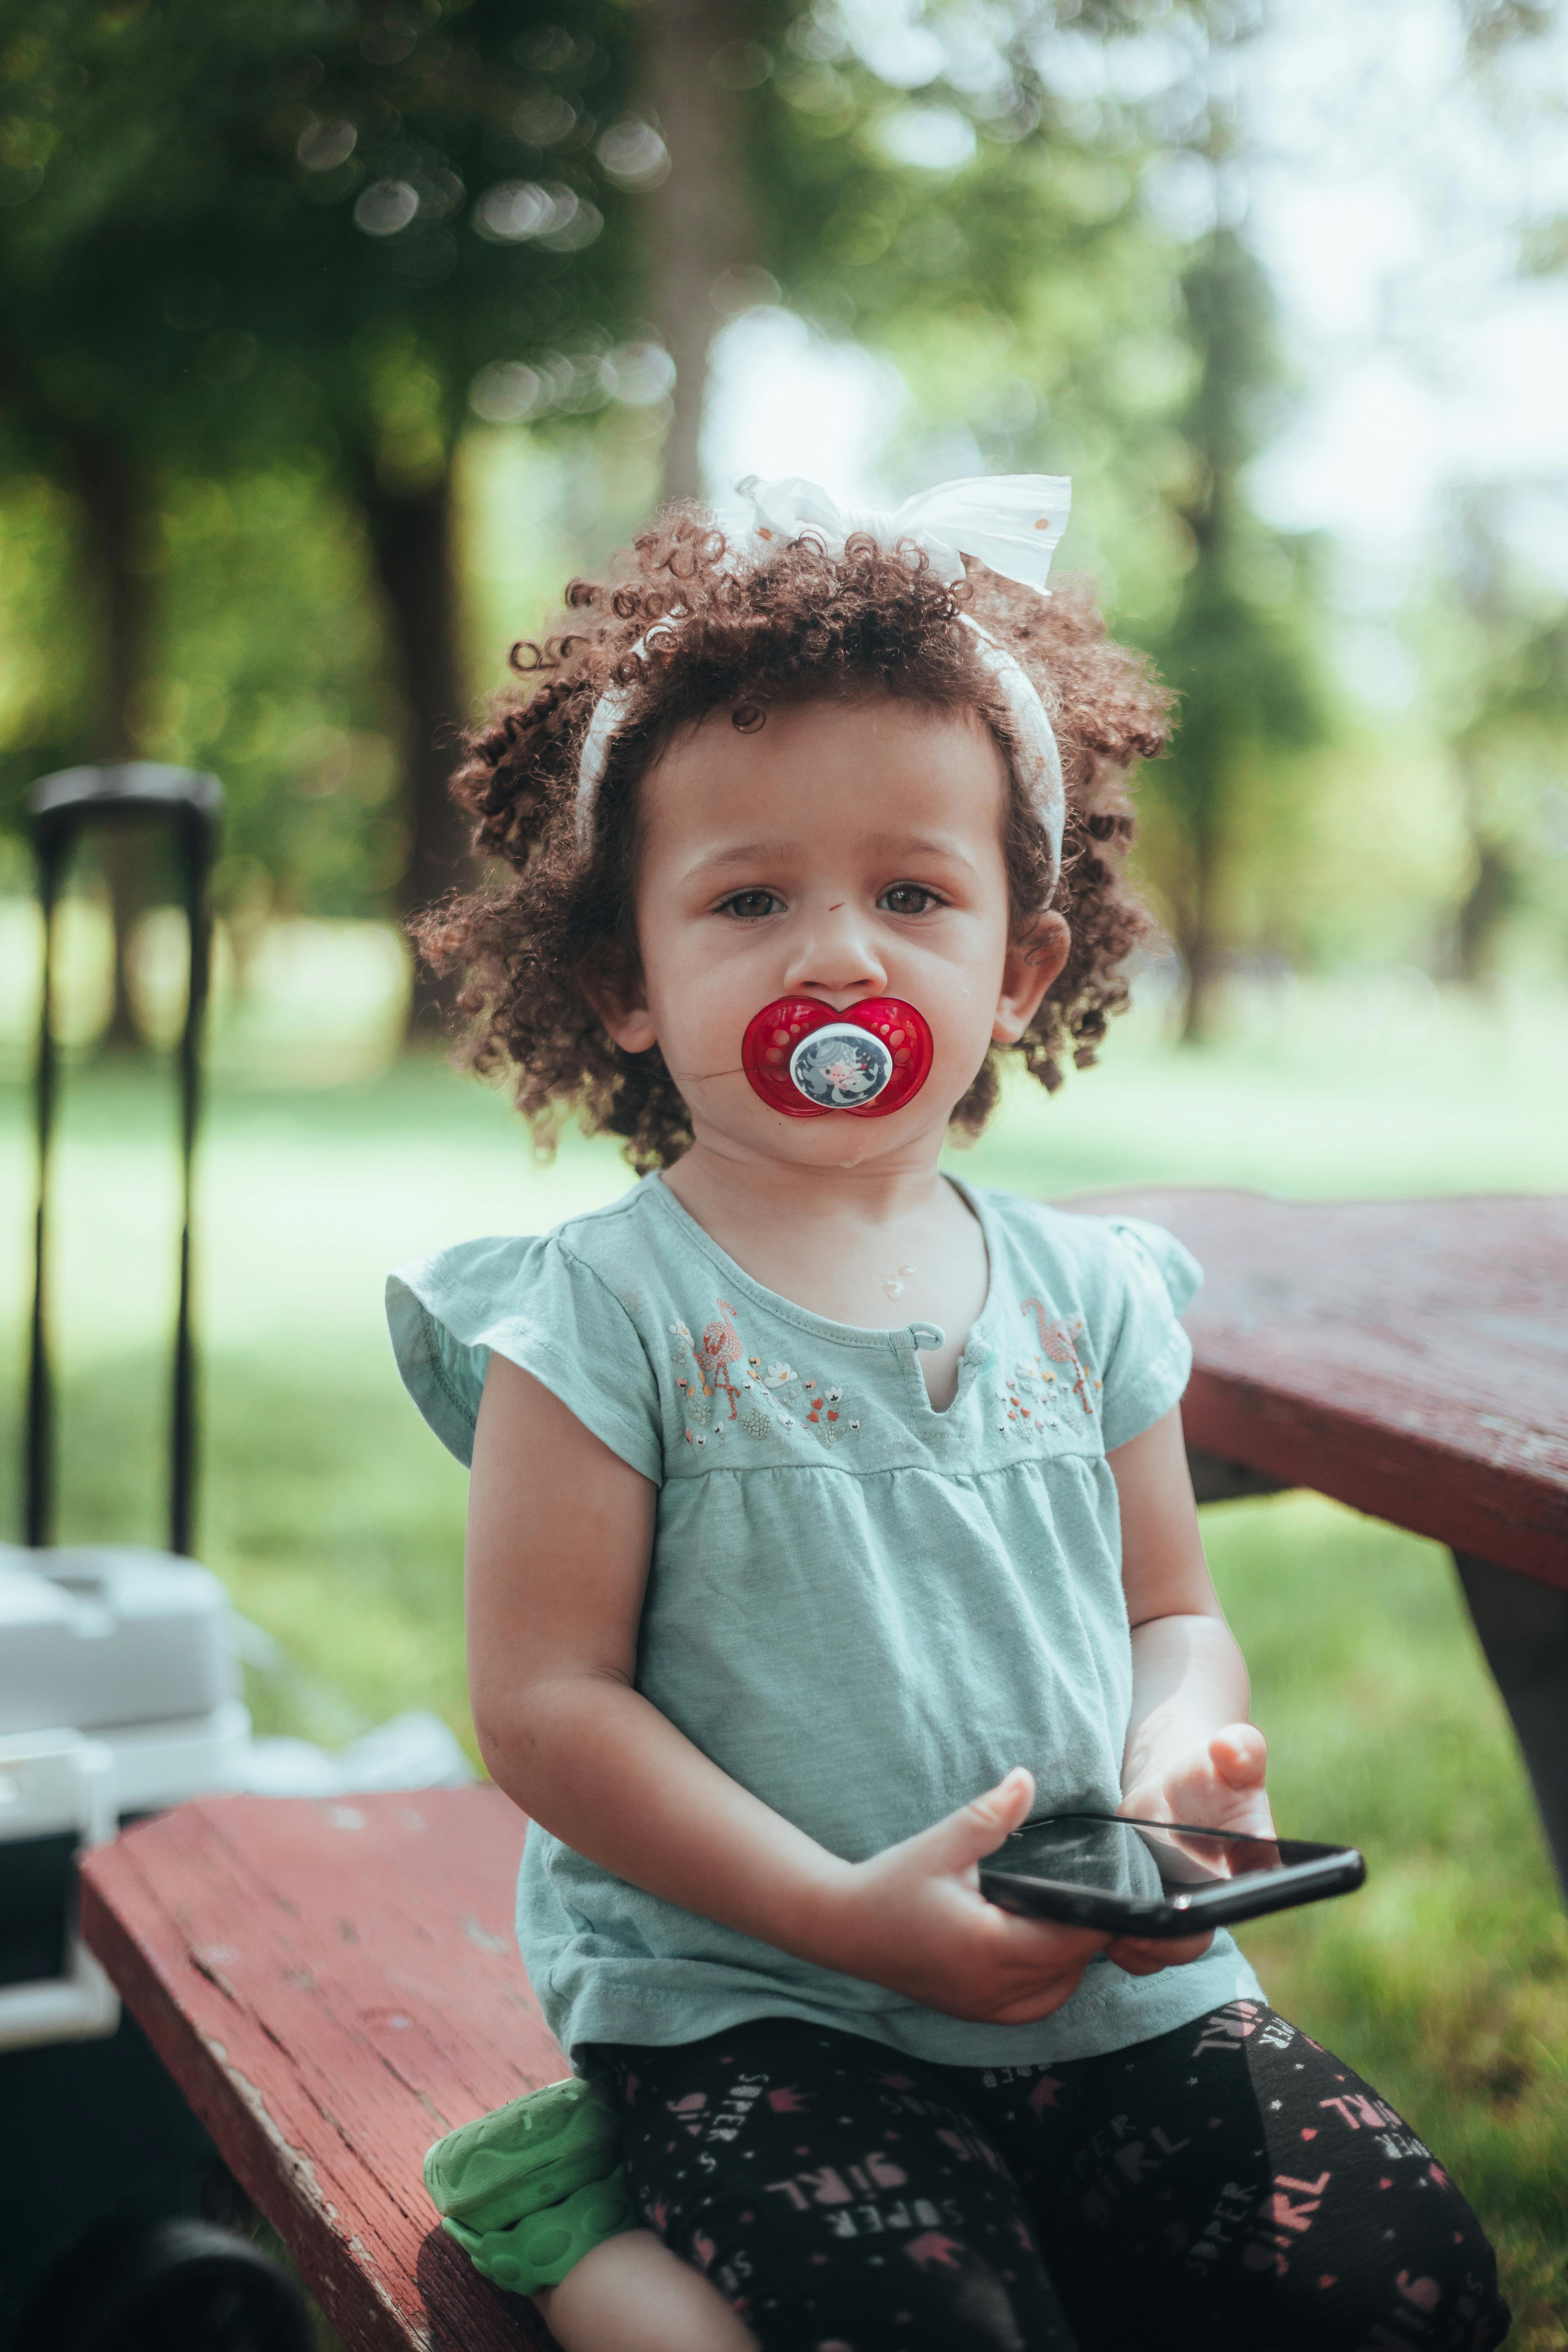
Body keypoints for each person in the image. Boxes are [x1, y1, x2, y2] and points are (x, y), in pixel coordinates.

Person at [388, 476, 1509, 2352]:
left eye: (914, 894)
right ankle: (576, 2219)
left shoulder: (1095, 1295)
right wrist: (844, 1918)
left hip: (1101, 1983)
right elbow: (547, 1706)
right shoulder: (598, 1314)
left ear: (1020, 969)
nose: (841, 955)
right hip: (758, 1993)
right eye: (751, 898)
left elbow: (1174, 1615)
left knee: (1400, 2293)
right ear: (622, 978)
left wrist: (1184, 1760)